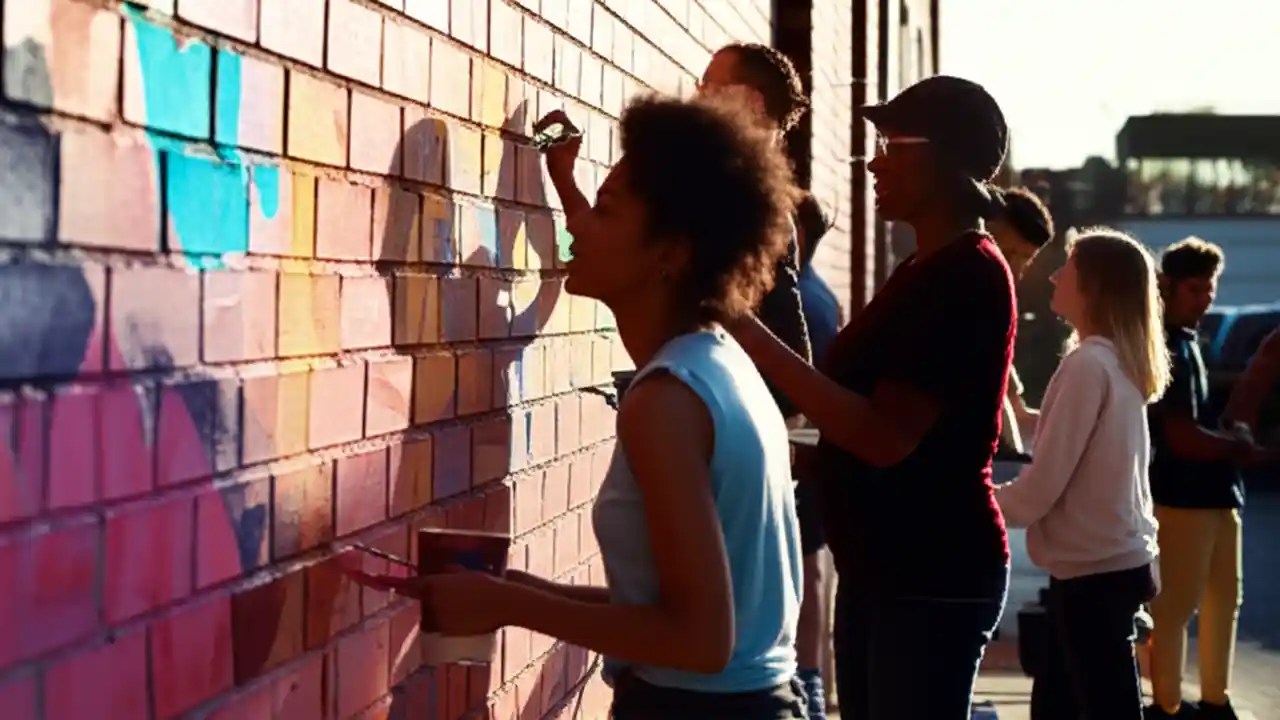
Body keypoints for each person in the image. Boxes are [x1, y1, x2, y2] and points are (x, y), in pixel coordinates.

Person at [351, 93, 808, 719]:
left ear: (670, 253)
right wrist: (512, 590)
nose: (581, 225)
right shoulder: (715, 362)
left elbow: (701, 641)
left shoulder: (668, 400)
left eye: (607, 211)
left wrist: (511, 607)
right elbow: (670, 613)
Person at [730, 75, 1016, 719]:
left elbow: (885, 437)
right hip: (885, 569)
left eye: (893, 142)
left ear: (944, 157)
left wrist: (744, 328)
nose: (874, 159)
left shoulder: (965, 275)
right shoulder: (922, 268)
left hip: (930, 574)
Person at [996, 229, 1169, 719]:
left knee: (1093, 705)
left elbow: (1038, 493)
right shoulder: (1114, 363)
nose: (1052, 275)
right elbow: (1071, 443)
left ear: (1093, 286)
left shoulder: (1086, 366)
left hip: (1094, 577)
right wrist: (1014, 404)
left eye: (1066, 268)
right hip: (1110, 568)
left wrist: (965, 499)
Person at [1145, 238, 1270, 720]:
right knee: (1174, 608)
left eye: (1210, 289)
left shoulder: (1188, 342)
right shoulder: (1166, 346)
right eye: (1195, 288)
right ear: (1168, 286)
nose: (1206, 299)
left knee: (1224, 602)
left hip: (1217, 495)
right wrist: (1239, 447)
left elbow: (1197, 431)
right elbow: (1181, 437)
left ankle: (1217, 701)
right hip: (1181, 497)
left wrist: (1233, 436)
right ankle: (1167, 706)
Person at [791, 191, 840, 720]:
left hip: (799, 458)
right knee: (811, 572)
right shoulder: (820, 295)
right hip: (816, 457)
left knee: (805, 572)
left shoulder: (798, 301)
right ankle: (813, 690)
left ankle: (808, 692)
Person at [989, 186, 1055, 447]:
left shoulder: (997, 309)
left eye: (1025, 260)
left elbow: (1016, 410)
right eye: (1007, 253)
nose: (1013, 271)